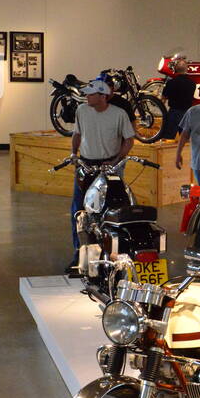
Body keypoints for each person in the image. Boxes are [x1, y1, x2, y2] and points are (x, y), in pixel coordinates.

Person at [68, 78, 135, 271]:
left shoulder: (119, 114)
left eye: (91, 94)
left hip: (110, 166)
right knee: (79, 210)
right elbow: (77, 133)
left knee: (114, 209)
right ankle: (79, 255)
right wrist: (74, 154)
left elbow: (129, 140)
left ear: (103, 96)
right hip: (86, 164)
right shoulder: (82, 111)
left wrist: (116, 161)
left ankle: (115, 255)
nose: (87, 97)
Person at [159, 51, 198, 140]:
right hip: (187, 114)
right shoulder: (192, 83)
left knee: (168, 138)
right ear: (186, 69)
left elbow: (163, 99)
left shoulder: (171, 83)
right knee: (186, 140)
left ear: (175, 69)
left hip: (174, 113)